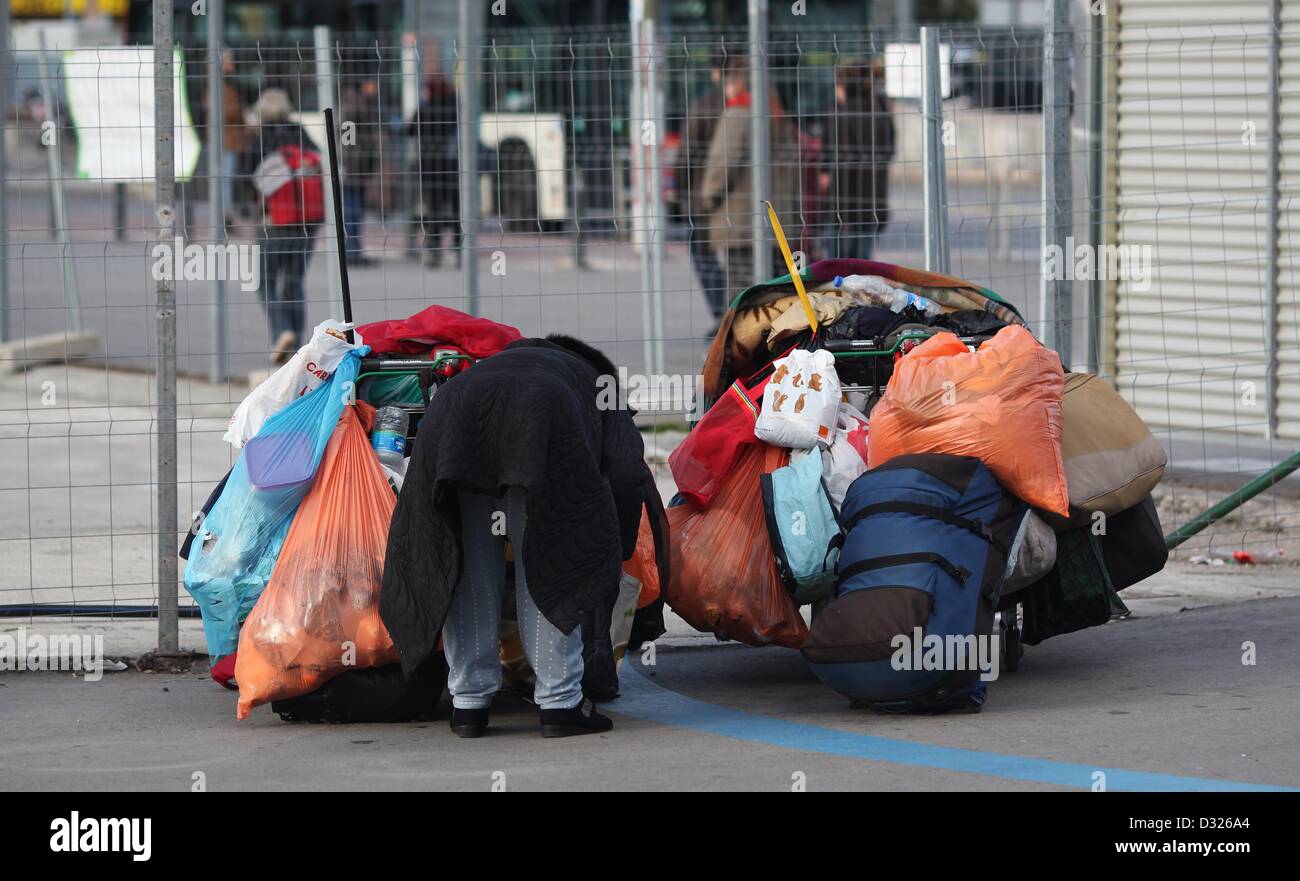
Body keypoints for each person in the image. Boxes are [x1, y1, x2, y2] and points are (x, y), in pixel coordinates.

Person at [380, 335, 655, 738]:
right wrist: (616, 548)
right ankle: (560, 704)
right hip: (542, 428)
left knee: (466, 565)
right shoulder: (596, 382)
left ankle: (468, 704)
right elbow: (628, 472)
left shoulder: (493, 366)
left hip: (454, 422)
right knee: (550, 557)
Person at [699, 55, 802, 297]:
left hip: (742, 225)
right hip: (777, 227)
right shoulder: (778, 117)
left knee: (742, 300)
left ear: (737, 82)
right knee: (773, 300)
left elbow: (721, 166)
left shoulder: (738, 115)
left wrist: (708, 199)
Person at [248, 88, 320, 364]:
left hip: (274, 221)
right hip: (308, 220)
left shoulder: (261, 139)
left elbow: (246, 180)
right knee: (293, 281)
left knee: (264, 280)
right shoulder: (300, 132)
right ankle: (299, 345)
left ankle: (282, 331)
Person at [673, 57, 727, 321]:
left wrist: (680, 191)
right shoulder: (759, 100)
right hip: (740, 196)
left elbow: (686, 154)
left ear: (715, 72)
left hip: (702, 197)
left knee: (703, 254)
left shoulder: (704, 104)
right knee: (744, 259)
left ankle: (722, 314)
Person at [826, 59, 895, 260]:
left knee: (837, 267)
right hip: (872, 203)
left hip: (843, 206)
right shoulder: (879, 112)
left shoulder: (839, 114)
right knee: (863, 264)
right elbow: (889, 151)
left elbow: (831, 156)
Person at [409, 75, 461, 266]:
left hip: (430, 165)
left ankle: (434, 247)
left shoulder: (425, 108)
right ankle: (459, 246)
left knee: (434, 209)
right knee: (456, 208)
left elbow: (410, 129)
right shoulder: (453, 108)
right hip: (452, 165)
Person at [339, 77, 382, 266]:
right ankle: (351, 251)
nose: (376, 86)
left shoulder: (359, 103)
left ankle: (354, 249)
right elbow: (347, 138)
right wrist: (353, 160)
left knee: (356, 210)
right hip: (353, 168)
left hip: (358, 166)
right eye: (373, 82)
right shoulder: (353, 105)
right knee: (352, 210)